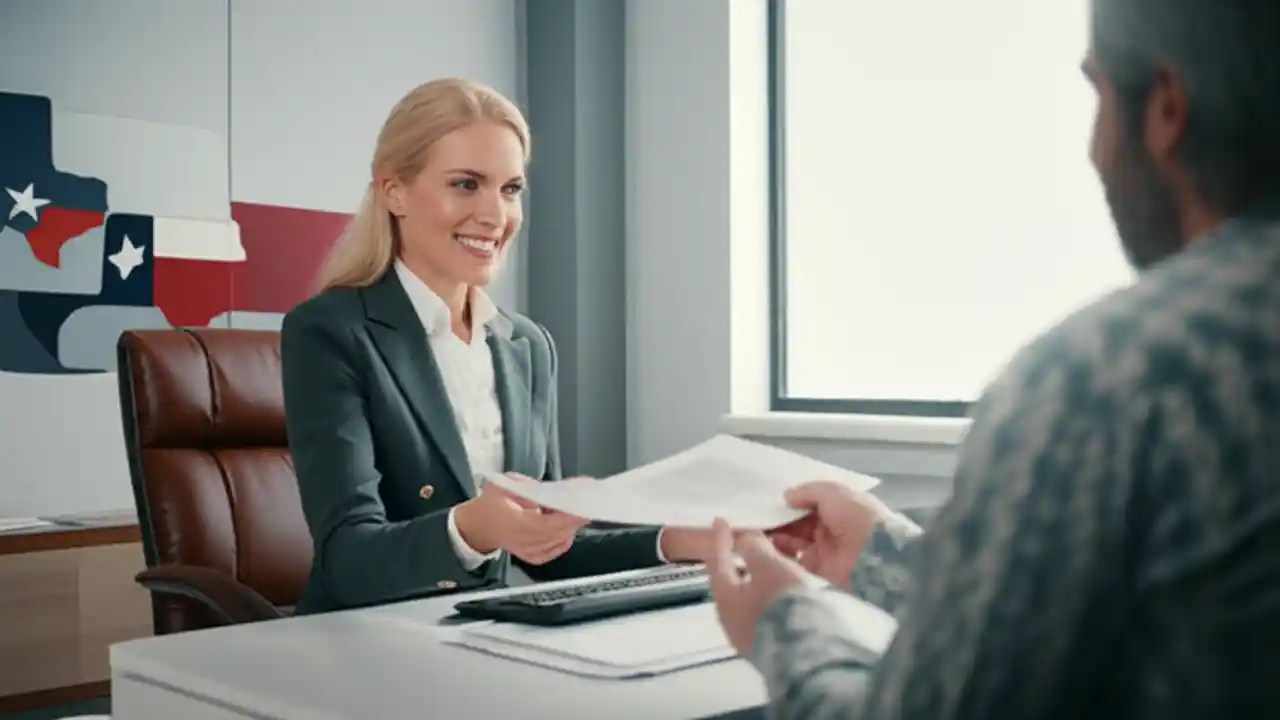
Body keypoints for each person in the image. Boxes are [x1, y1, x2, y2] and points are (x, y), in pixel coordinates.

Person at [708, 1, 1280, 717]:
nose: (1095, 147)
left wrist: (783, 624)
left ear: (1166, 108)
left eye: (1098, 97)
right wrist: (886, 556)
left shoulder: (1103, 381)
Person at [281, 78, 711, 615]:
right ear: (394, 192)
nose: (495, 215)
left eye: (510, 189)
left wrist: (675, 541)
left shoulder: (526, 345)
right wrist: (475, 527)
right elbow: (347, 560)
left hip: (489, 631)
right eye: (466, 184)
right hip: (369, 639)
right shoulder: (330, 332)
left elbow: (551, 553)